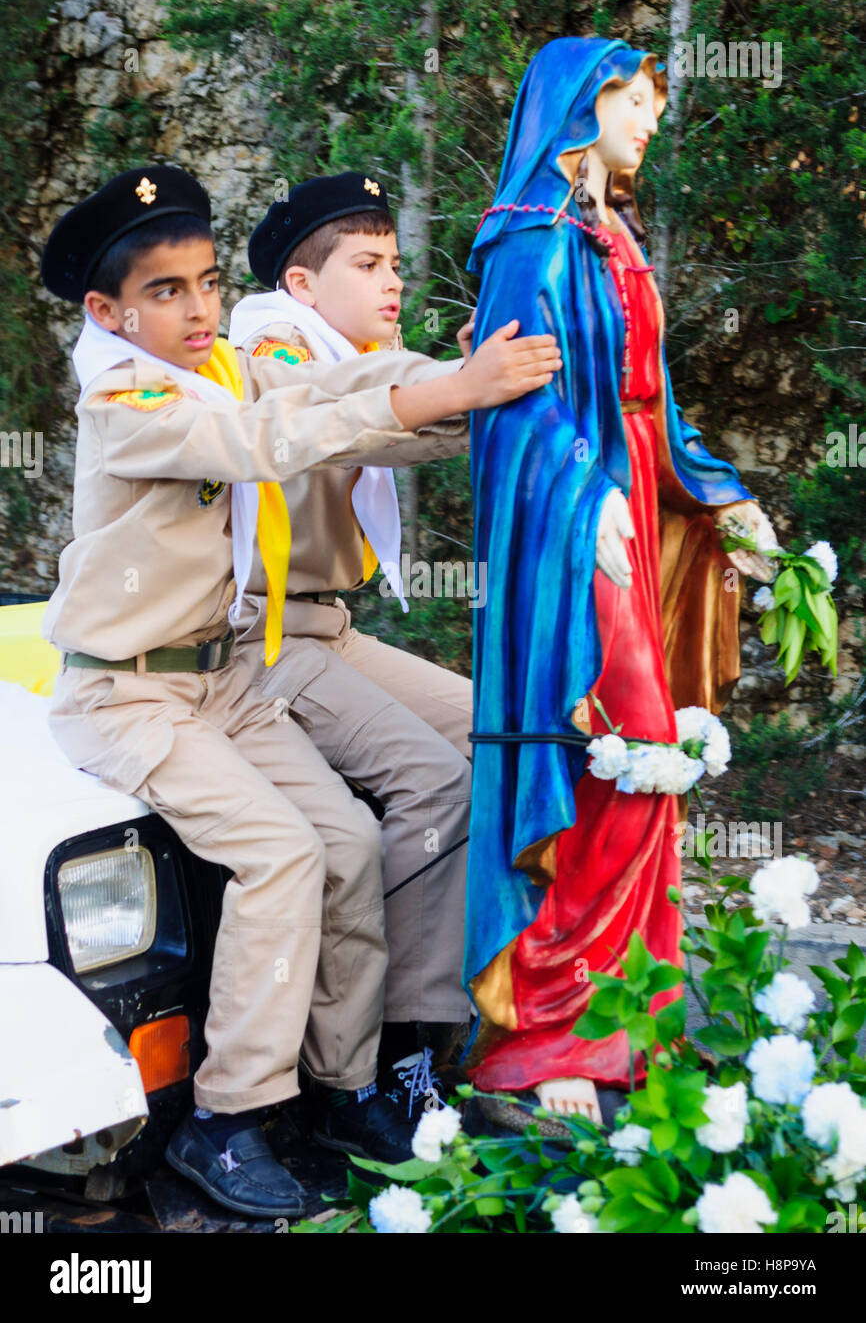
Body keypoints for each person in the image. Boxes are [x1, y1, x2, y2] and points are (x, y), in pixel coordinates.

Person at [39, 163, 562, 1216]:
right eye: (166, 292)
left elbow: (329, 394)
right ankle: (225, 1119)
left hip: (221, 682)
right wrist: (449, 394)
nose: (197, 309)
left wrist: (469, 387)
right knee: (279, 853)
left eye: (204, 283)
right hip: (127, 696)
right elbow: (263, 443)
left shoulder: (218, 366)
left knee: (350, 842)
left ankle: (341, 1084)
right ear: (107, 313)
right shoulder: (127, 400)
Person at [462, 38, 778, 1124]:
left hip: (633, 511)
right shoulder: (525, 244)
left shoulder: (611, 239)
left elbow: (652, 399)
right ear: (574, 106)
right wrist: (581, 497)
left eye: (652, 101)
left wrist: (719, 496)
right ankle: (542, 1032)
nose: (647, 118)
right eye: (630, 100)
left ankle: (622, 1024)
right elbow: (512, 406)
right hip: (572, 534)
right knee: (607, 746)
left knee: (645, 761)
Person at [228, 172, 476, 1109]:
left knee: (494, 732)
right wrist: (460, 387)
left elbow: (401, 387)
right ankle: (402, 1049)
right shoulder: (266, 347)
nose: (393, 282)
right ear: (300, 283)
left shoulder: (356, 350)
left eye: (397, 265)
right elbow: (344, 415)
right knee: (435, 778)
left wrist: (469, 379)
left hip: (329, 626)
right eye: (367, 263)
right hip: (260, 633)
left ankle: (481, 996)